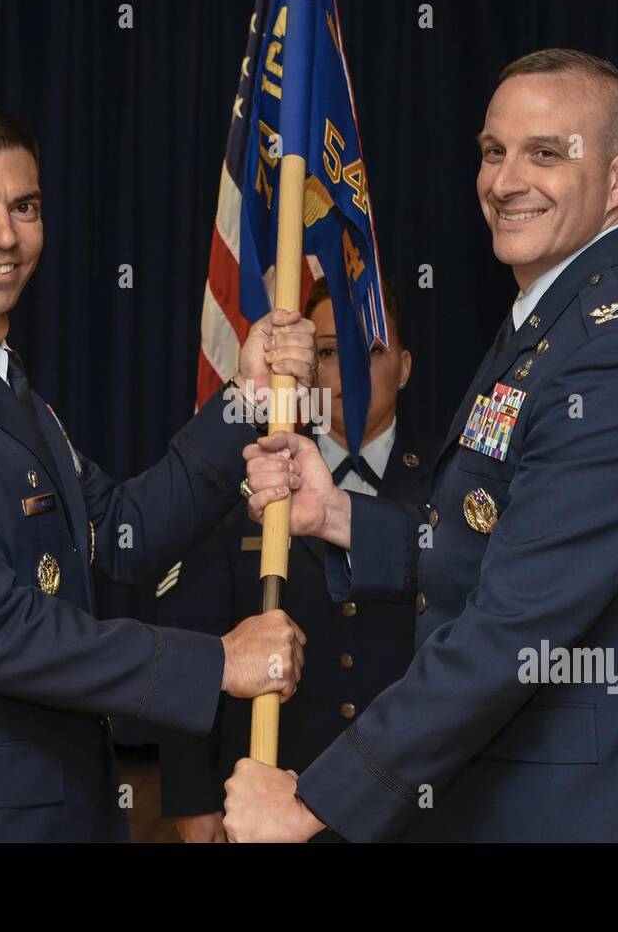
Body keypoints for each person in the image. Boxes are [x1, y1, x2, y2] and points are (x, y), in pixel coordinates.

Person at [223, 49, 618, 842]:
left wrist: (314, 799)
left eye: (544, 153)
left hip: (592, 807)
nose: (504, 181)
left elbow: (515, 625)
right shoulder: (559, 310)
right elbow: (493, 526)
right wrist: (346, 518)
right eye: (494, 152)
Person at [0, 103, 313, 842]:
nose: (4, 236)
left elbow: (122, 534)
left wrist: (242, 399)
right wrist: (214, 662)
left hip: (61, 807)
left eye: (25, 207)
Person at [156, 279, 437, 843]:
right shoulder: (246, 480)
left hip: (412, 812)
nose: (350, 370)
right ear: (305, 369)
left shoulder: (448, 493)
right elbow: (189, 638)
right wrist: (194, 797)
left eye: (372, 350)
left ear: (404, 367)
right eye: (330, 351)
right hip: (268, 803)